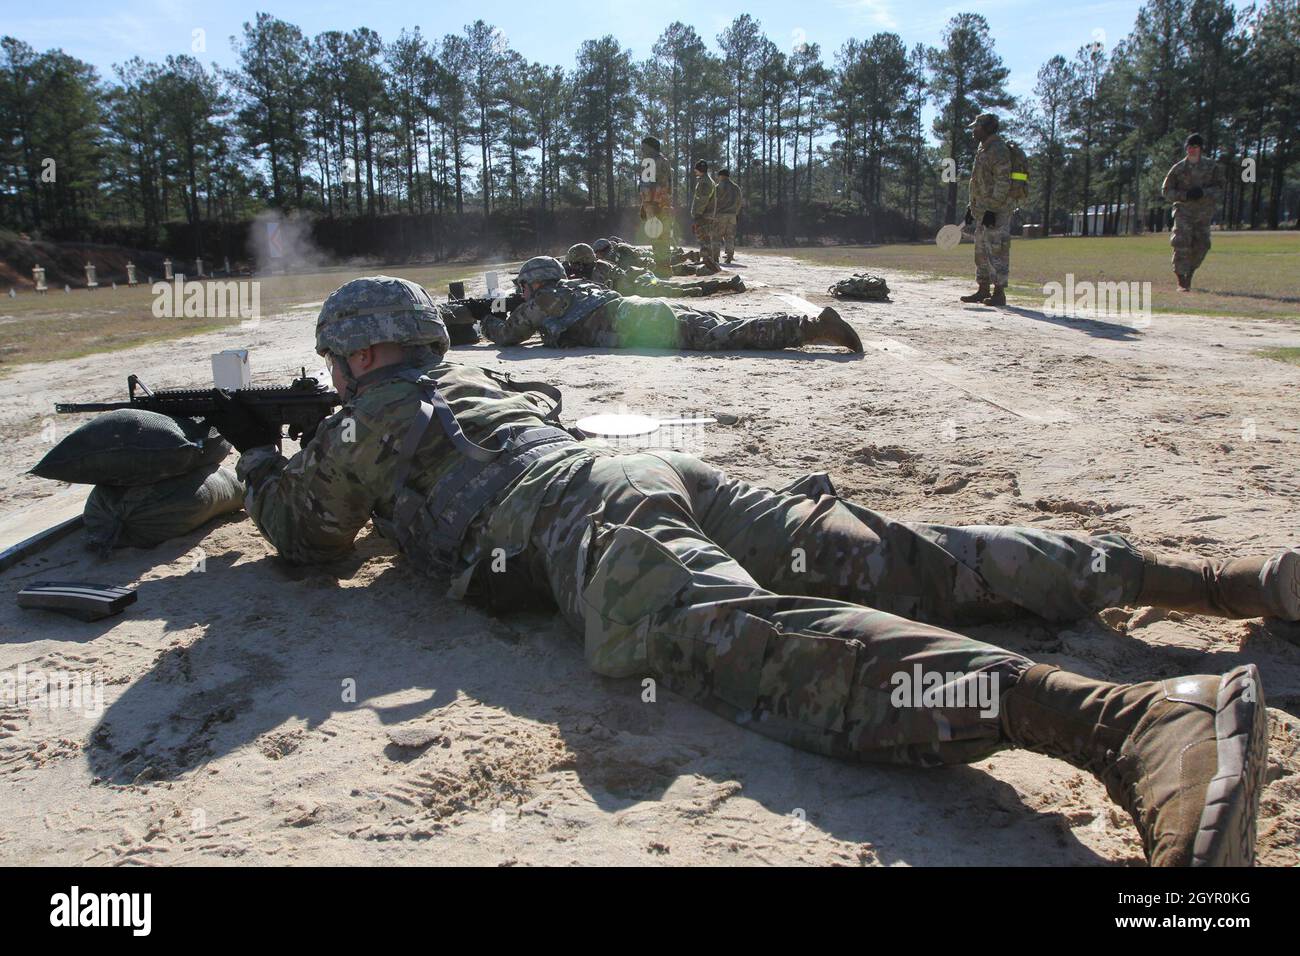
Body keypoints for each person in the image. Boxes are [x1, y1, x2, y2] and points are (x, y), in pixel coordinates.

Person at [207, 275, 1296, 866]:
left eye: (339, 368)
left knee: (759, 642)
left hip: (584, 516)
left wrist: (258, 451)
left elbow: (307, 541)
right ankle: (1228, 578)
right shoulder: (475, 384)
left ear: (350, 360)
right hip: (643, 467)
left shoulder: (363, 421)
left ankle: (1130, 723)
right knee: (908, 557)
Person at [482, 256, 861, 352]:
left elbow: (507, 335)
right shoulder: (576, 288)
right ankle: (803, 325)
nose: (523, 292)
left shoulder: (548, 298)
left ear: (537, 283)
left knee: (726, 336)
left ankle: (812, 326)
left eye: (524, 286)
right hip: (645, 311)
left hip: (644, 324)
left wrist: (486, 320)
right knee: (723, 321)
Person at [959, 113, 1013, 308]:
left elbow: (1002, 182)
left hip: (996, 211)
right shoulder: (983, 148)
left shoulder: (998, 150)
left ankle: (999, 293)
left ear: (987, 128)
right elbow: (979, 182)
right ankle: (983, 290)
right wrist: (971, 206)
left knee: (997, 250)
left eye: (977, 127)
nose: (974, 130)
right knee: (981, 251)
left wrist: (993, 207)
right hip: (982, 210)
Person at [1161, 134, 1226, 291]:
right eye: (1189, 147)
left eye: (1195, 147)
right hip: (1184, 211)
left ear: (1200, 148)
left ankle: (1189, 273)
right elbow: (1166, 191)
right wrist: (1185, 195)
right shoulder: (1178, 168)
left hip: (1203, 213)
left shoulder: (1212, 167)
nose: (1192, 150)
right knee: (1181, 243)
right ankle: (1181, 280)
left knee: (1203, 245)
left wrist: (1204, 192)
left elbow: (1221, 188)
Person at [565, 243, 744, 298]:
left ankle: (726, 284)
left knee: (680, 290)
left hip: (641, 283)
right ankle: (724, 283)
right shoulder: (592, 268)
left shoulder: (601, 268)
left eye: (576, 263)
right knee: (676, 287)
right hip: (640, 280)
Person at [638, 136, 675, 272]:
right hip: (665, 202)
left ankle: (660, 266)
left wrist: (645, 204)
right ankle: (666, 266)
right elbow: (670, 185)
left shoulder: (648, 161)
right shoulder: (665, 161)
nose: (642, 150)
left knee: (655, 233)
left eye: (643, 147)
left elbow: (646, 186)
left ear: (650, 147)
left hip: (652, 203)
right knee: (664, 235)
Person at [690, 160, 720, 271]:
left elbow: (703, 200)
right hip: (705, 214)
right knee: (704, 237)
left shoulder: (705, 182)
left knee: (704, 238)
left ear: (700, 170)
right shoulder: (705, 181)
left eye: (696, 169)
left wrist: (698, 213)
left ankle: (707, 262)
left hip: (703, 215)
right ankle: (707, 261)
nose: (694, 171)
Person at [713, 169, 743, 264]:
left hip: (720, 215)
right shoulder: (736, 187)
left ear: (721, 176)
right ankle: (730, 256)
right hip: (732, 215)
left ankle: (715, 257)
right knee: (730, 236)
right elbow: (739, 202)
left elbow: (713, 202)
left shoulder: (718, 187)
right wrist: (735, 212)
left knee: (717, 236)